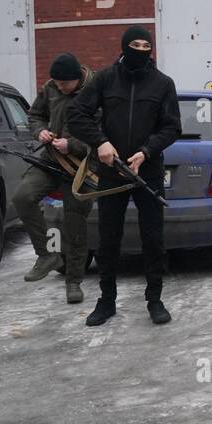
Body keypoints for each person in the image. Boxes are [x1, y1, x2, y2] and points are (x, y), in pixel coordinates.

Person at [68, 26, 181, 327]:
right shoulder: (105, 79)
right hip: (111, 171)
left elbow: (171, 127)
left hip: (148, 172)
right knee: (108, 240)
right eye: (135, 44)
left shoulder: (163, 83)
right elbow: (76, 115)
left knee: (153, 239)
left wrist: (146, 151)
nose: (141, 49)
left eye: (146, 45)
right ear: (124, 46)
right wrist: (100, 142)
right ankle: (106, 301)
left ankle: (155, 299)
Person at [14, 53, 95, 303]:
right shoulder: (50, 87)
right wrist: (40, 132)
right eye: (56, 83)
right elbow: (34, 115)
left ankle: (73, 282)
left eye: (64, 84)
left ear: (77, 79)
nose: (59, 87)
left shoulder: (95, 92)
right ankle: (47, 255)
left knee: (74, 226)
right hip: (50, 160)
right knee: (22, 197)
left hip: (81, 167)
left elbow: (102, 134)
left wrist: (71, 144)